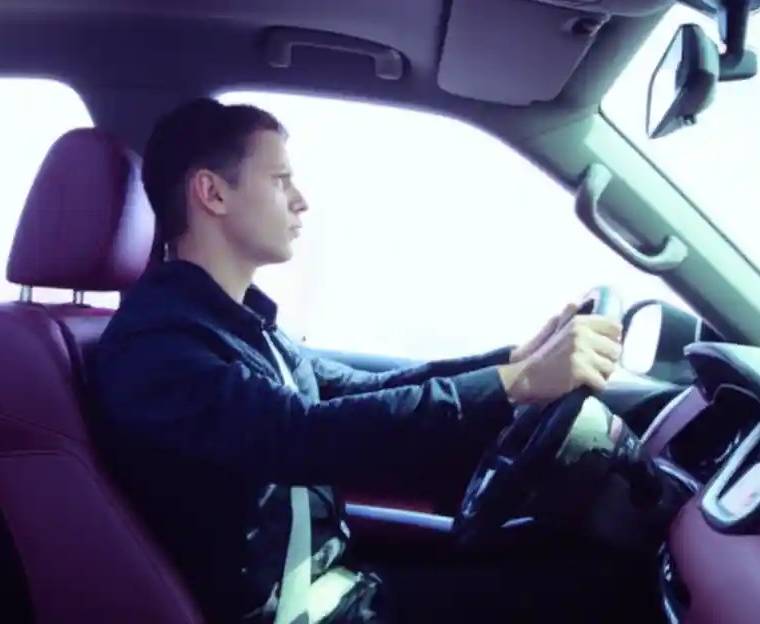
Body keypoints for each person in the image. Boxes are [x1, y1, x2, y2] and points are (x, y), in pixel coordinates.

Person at [89, 98, 627, 623]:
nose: (300, 201)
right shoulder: (155, 346)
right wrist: (513, 384)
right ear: (212, 193)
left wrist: (513, 361)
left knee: (585, 578)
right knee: (596, 594)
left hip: (336, 587)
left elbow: (356, 390)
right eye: (280, 180)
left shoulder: (233, 325)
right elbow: (302, 435)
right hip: (303, 610)